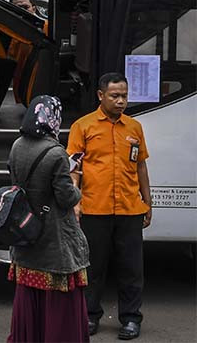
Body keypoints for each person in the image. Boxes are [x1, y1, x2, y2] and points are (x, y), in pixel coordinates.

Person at [67, 73, 152, 340]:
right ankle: (90, 316)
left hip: (129, 209)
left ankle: (130, 319)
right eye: (115, 96)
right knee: (93, 268)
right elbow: (74, 169)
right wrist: (75, 202)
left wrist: (148, 201)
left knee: (131, 268)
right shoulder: (83, 126)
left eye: (124, 96)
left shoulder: (134, 128)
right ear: (101, 96)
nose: (121, 101)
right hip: (94, 209)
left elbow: (140, 165)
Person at [7, 95, 90, 343]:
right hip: (53, 237)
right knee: (59, 299)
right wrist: (76, 180)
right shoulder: (55, 153)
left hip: (25, 231)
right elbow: (66, 197)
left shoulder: (17, 145)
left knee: (30, 294)